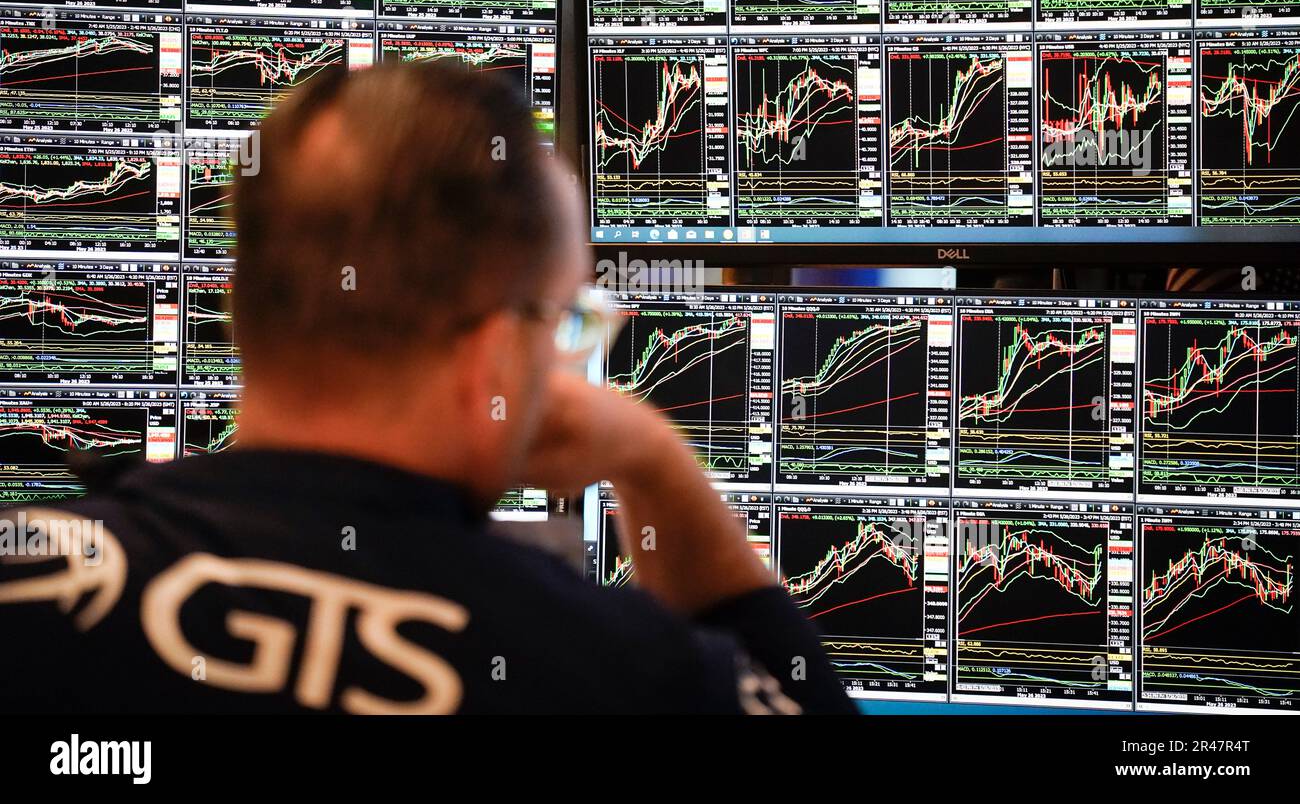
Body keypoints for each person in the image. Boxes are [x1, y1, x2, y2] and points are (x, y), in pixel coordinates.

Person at [0, 62, 855, 714]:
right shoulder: (627, 673)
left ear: (240, 301)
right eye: (564, 321)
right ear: (492, 360)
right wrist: (654, 460)